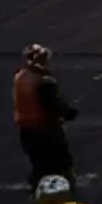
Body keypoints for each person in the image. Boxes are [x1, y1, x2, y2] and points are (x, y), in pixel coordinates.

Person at [14, 44, 79, 187]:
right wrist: (68, 113)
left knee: (39, 164)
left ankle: (37, 191)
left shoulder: (20, 77)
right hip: (46, 129)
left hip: (26, 129)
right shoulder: (44, 81)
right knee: (61, 163)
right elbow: (51, 104)